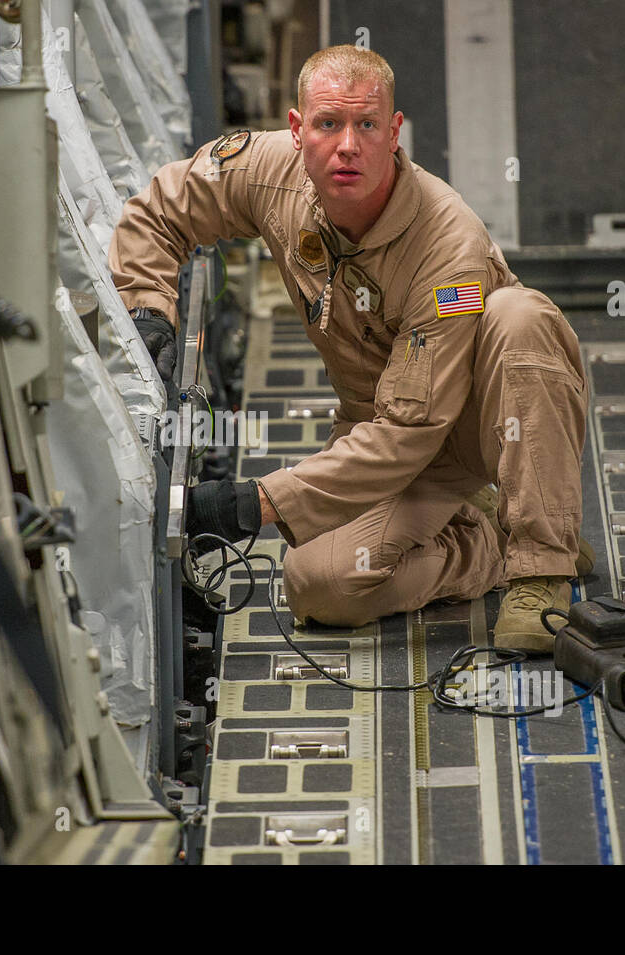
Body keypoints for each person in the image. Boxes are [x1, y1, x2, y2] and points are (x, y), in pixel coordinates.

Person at [108, 45, 592, 651]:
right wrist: (148, 311)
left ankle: (541, 564)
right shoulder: (268, 172)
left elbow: (412, 431)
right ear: (296, 129)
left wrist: (250, 504)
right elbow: (157, 212)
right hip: (374, 428)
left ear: (394, 132)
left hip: (466, 432)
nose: (347, 146)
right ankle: (487, 536)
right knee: (321, 585)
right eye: (328, 124)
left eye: (366, 125)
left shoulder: (447, 246)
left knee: (518, 318)